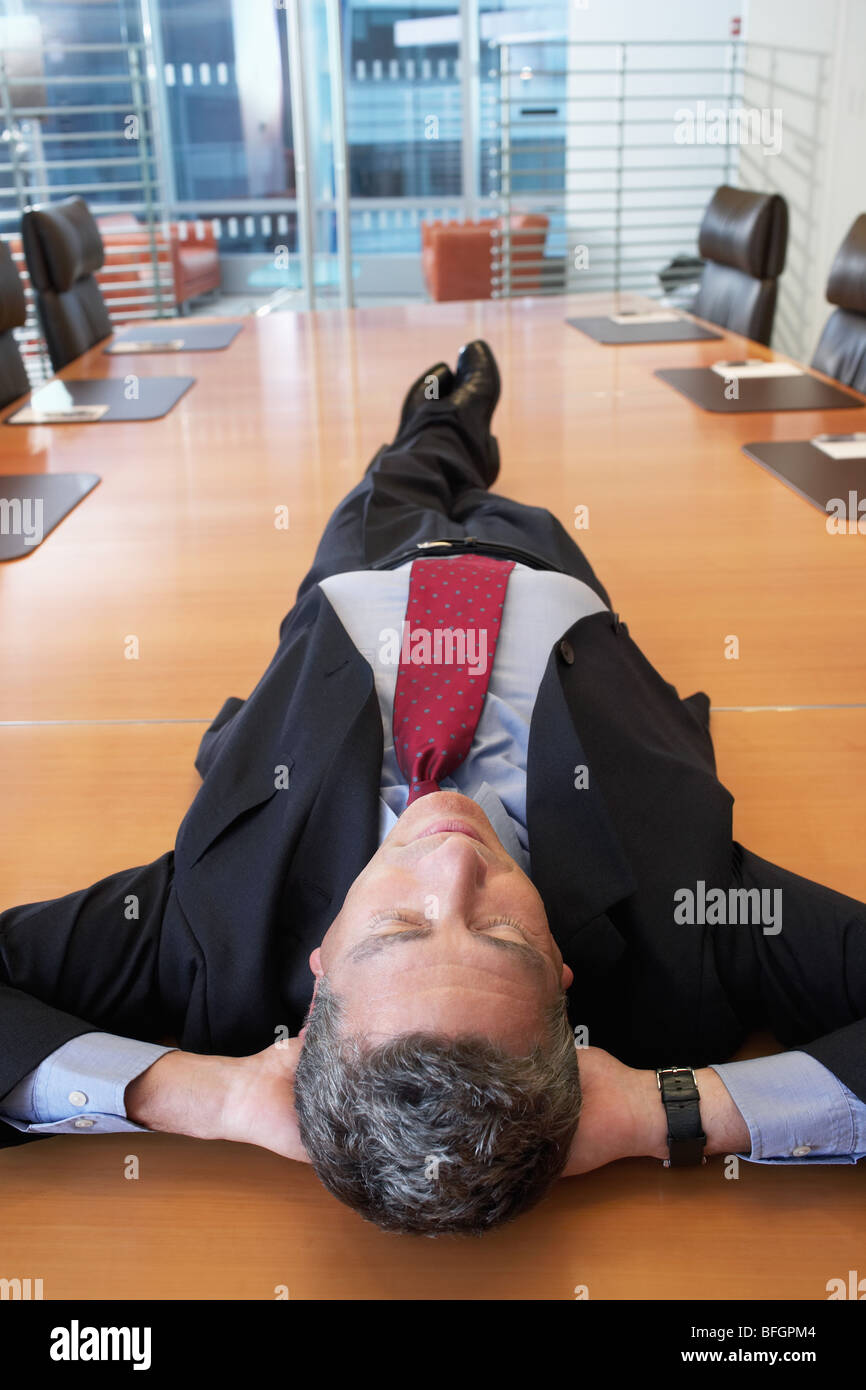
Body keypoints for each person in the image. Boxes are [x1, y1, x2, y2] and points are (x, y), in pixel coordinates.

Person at [2, 341, 865, 1237]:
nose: (451, 864)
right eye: (500, 931)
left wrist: (202, 1097)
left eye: (397, 925)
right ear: (567, 985)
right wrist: (670, 1115)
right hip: (545, 573)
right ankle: (462, 422)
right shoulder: (687, 931)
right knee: (497, 494)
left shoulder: (212, 928)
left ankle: (442, 415)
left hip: (362, 575)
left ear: (320, 970)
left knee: (406, 469)